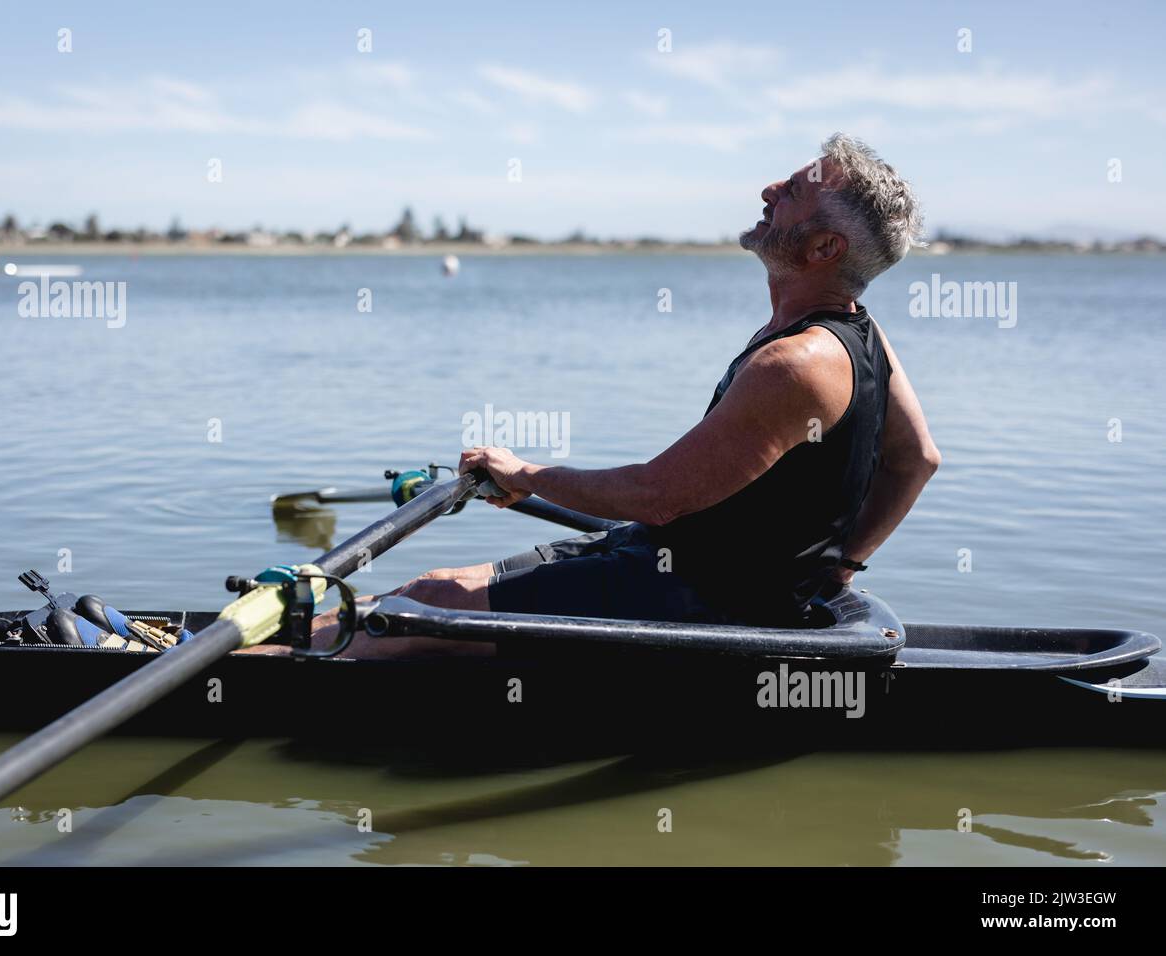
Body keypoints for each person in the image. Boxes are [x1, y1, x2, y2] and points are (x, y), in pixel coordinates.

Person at [250, 133, 939, 658]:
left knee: (430, 604)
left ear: (823, 246)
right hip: (664, 562)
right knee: (417, 592)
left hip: (701, 606)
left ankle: (226, 676)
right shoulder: (856, 328)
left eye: (791, 189)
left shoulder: (799, 363)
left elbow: (657, 495)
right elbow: (919, 460)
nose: (767, 189)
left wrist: (526, 473)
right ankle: (280, 641)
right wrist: (840, 569)